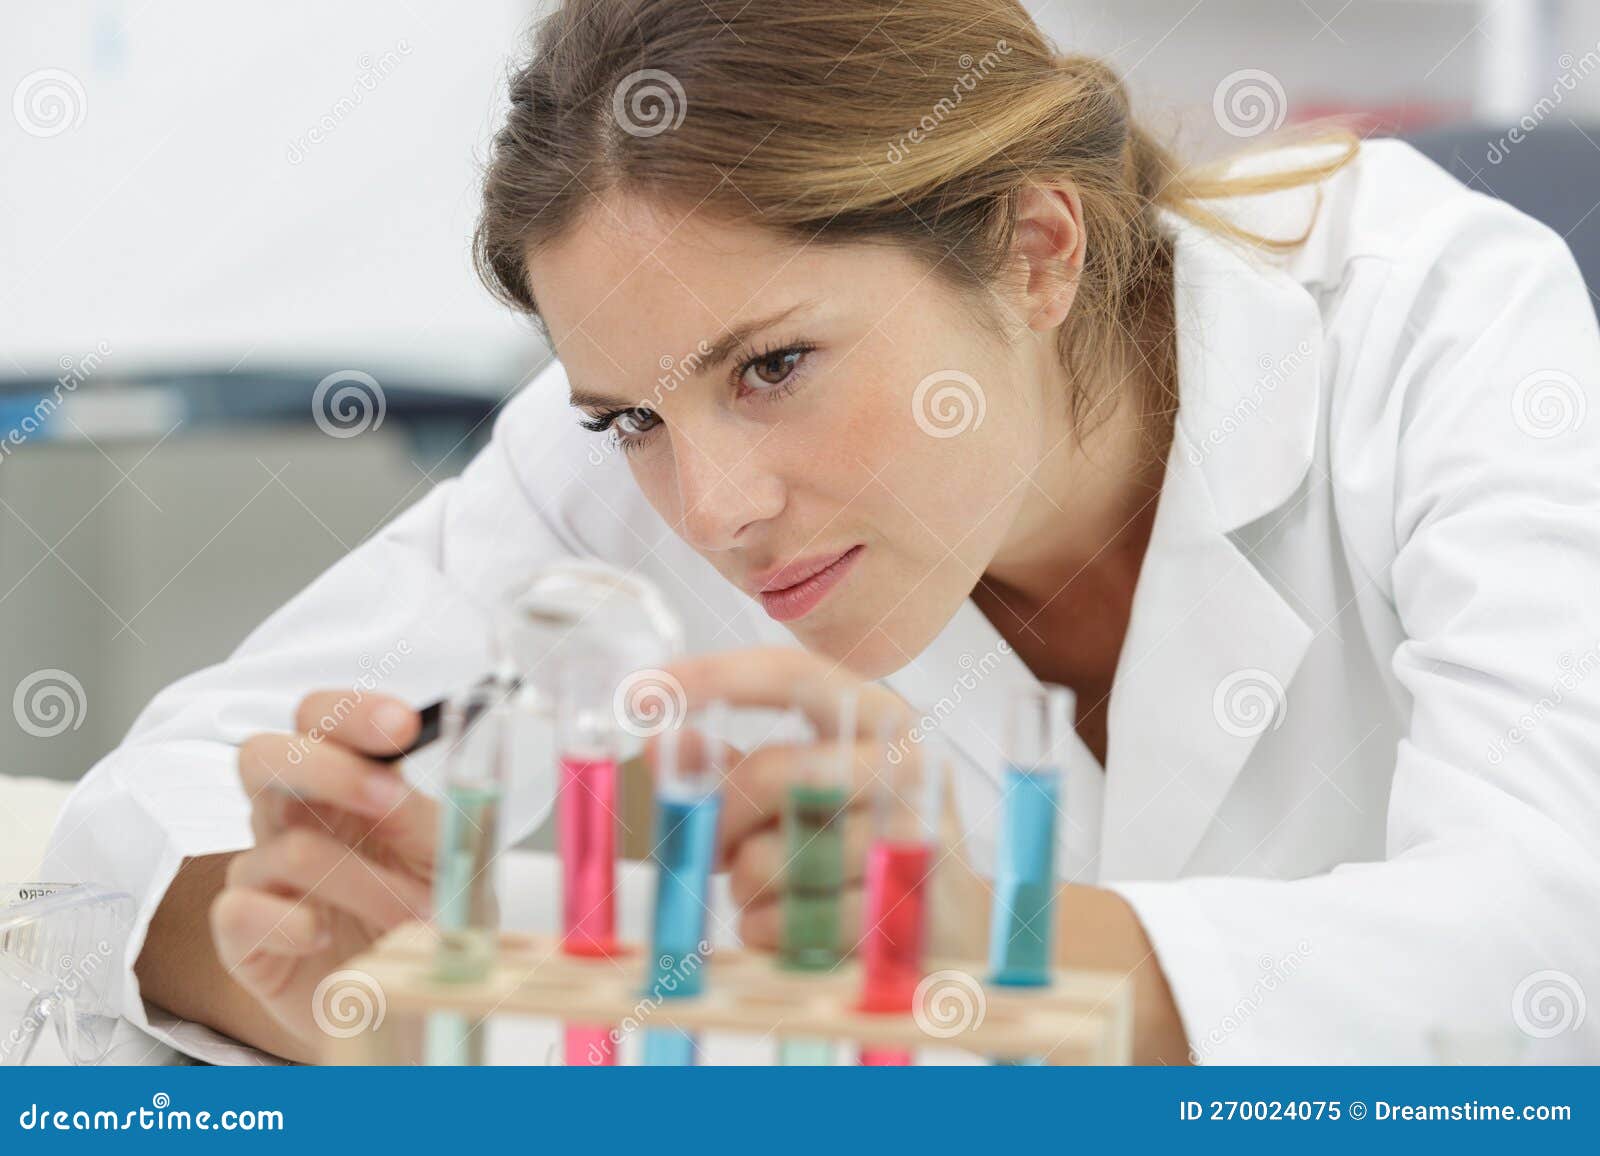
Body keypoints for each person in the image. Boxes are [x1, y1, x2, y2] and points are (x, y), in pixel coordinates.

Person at [46, 0, 1600, 1065]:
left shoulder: (1433, 317)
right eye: (630, 418)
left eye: (777, 368)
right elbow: (134, 835)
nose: (713, 509)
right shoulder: (624, 444)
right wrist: (356, 979)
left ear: (1034, 248)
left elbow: (1555, 940)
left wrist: (1002, 954)